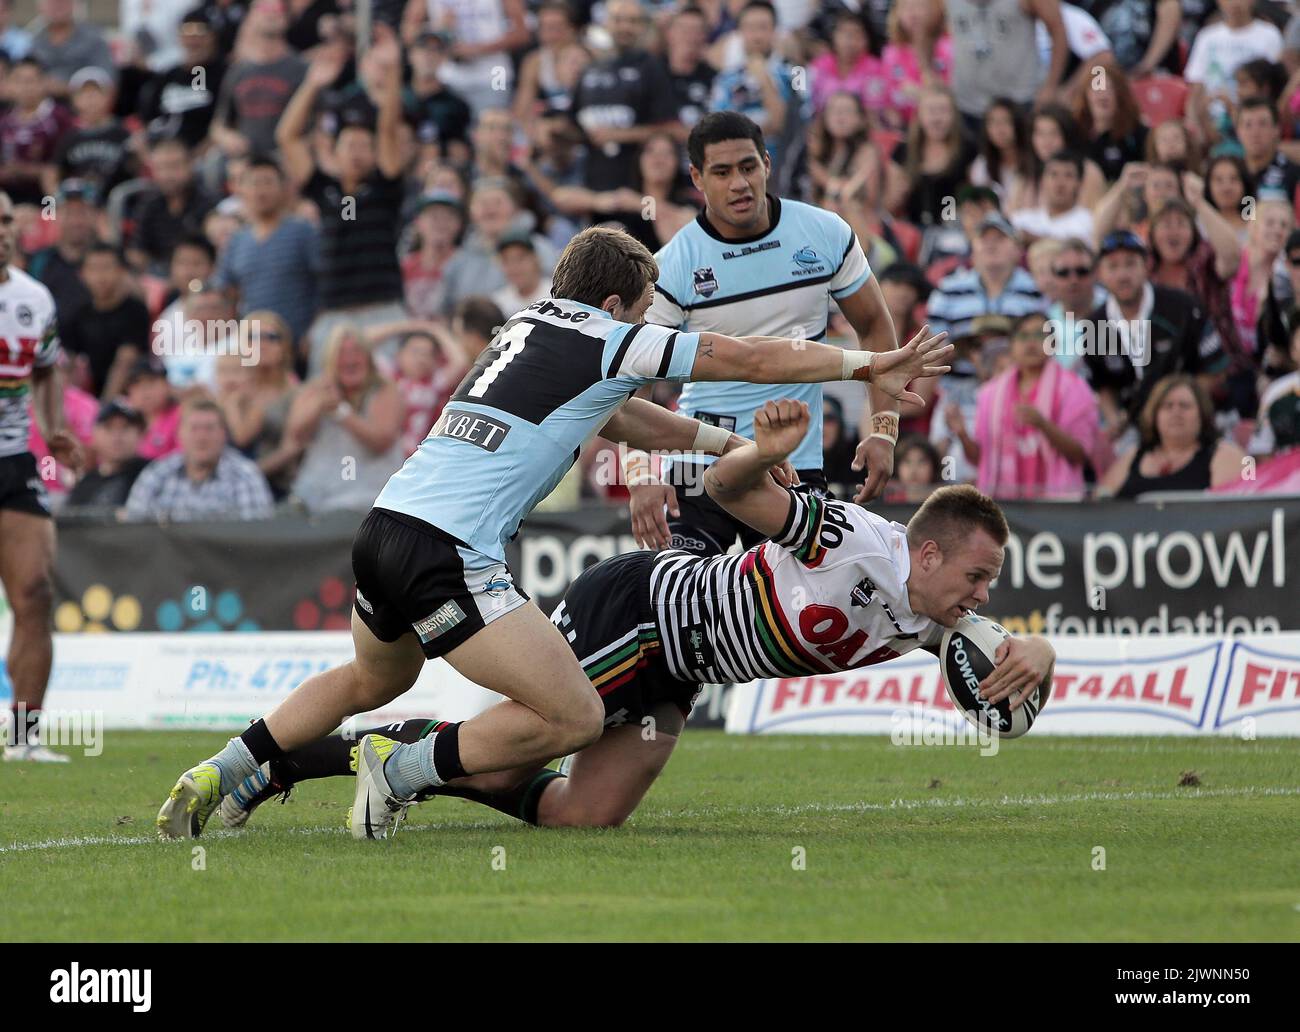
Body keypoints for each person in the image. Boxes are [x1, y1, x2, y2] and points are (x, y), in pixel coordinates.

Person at [155, 224, 952, 840]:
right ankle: (393, 768)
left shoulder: (526, 327)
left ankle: (222, 770)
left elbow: (635, 421)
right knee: (571, 716)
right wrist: (865, 365)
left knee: (372, 679)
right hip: (446, 551)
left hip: (385, 526)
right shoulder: (606, 337)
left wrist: (735, 450)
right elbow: (739, 355)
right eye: (642, 311)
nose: (645, 328)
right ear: (616, 307)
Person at [216, 415, 1054, 835]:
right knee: (520, 747)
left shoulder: (935, 608)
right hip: (643, 614)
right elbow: (732, 495)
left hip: (680, 674)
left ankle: (397, 760)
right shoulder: (852, 542)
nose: (981, 597)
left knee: (587, 816)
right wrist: (763, 452)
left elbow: (1009, 653)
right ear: (930, 552)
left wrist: (1041, 649)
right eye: (977, 575)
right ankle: (314, 762)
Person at [631, 111, 910, 559]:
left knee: (804, 613)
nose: (739, 183)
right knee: (686, 613)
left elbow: (874, 324)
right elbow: (635, 375)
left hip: (794, 464)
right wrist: (641, 470)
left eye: (747, 167)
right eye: (722, 172)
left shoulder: (824, 233)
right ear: (697, 177)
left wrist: (884, 429)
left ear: (767, 164)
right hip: (699, 464)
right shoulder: (672, 264)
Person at [0, 191, 84, 761]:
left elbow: (48, 371)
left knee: (34, 591)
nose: (3, 229)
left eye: (6, 219)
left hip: (11, 460)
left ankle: (25, 737)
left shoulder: (35, 298)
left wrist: (52, 425)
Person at [278, 27, 408, 370]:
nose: (357, 151)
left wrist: (393, 71)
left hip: (382, 310)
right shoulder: (323, 189)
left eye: (364, 145)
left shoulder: (385, 188)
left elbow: (389, 127)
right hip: (333, 316)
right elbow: (287, 136)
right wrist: (312, 84)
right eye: (348, 144)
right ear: (333, 151)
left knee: (387, 392)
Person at [1085, 230, 1229, 443]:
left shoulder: (1184, 308)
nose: (1123, 274)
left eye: (1130, 264)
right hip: (1134, 429)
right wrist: (1114, 418)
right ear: (1100, 274)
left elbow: (1216, 371)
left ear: (1146, 267)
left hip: (1197, 418)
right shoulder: (1094, 325)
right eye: (1113, 266)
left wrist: (1170, 407)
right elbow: (1103, 384)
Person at [968, 312, 1098, 499]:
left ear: (1053, 344)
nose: (1030, 344)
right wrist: (962, 434)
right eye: (1023, 336)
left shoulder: (1074, 388)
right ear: (1011, 346)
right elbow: (981, 458)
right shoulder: (990, 394)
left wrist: (1043, 425)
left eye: (1039, 335)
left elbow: (1081, 454)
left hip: (1057, 505)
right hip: (1003, 505)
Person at [285, 323, 405, 513]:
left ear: (368, 357)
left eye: (356, 351)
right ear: (330, 359)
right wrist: (319, 404)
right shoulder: (315, 389)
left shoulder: (385, 389)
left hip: (372, 494)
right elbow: (296, 435)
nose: (349, 358)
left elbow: (382, 441)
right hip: (317, 492)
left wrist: (341, 411)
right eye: (341, 352)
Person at [212, 156, 320, 347]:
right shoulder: (237, 241)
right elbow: (225, 289)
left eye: (268, 182)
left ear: (283, 187)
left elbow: (324, 282)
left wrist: (315, 329)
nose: (261, 191)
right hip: (255, 345)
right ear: (241, 189)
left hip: (300, 341)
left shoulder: (303, 232)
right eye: (254, 183)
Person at [124, 395, 274, 521]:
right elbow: (134, 528)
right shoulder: (158, 473)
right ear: (179, 434)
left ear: (224, 434)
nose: (201, 437)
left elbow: (255, 538)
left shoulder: (245, 475)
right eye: (194, 428)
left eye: (209, 428)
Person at [1098, 373, 1246, 497]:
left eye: (1185, 405)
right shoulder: (1132, 457)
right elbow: (1099, 503)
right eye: (1167, 406)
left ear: (1202, 414)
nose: (1176, 412)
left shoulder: (1225, 454)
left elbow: (1232, 510)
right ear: (1154, 415)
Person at [945, 0, 1068, 129]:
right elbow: (924, 27)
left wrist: (1051, 85)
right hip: (967, 102)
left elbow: (1058, 30)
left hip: (1021, 99)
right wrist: (928, 73)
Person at [926, 212, 1047, 340]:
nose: (991, 245)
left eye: (1000, 238)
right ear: (972, 250)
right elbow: (934, 343)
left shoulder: (1038, 289)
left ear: (1018, 249)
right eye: (983, 239)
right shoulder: (947, 289)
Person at [59, 242, 152, 401]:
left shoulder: (136, 311)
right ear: (82, 274)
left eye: (107, 268)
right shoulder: (77, 314)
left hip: (128, 396)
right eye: (93, 269)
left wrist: (104, 408)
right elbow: (68, 362)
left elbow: (125, 363)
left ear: (122, 271)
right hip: (86, 396)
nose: (100, 276)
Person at [66, 400, 149, 511]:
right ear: (94, 434)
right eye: (108, 428)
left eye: (125, 428)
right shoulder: (85, 483)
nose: (117, 436)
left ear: (140, 434)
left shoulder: (151, 473)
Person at [1010, 150, 1096, 243]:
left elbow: (1077, 248)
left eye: (1068, 176)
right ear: (1042, 181)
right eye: (1053, 175)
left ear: (1079, 183)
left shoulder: (1088, 221)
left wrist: (1032, 239)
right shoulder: (1021, 219)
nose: (1060, 183)